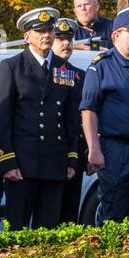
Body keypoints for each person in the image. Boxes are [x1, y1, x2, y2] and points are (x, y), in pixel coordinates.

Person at [0, 7, 80, 230]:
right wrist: (7, 161)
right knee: (17, 232)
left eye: (49, 30)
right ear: (26, 36)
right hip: (22, 164)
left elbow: (71, 119)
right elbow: (1, 118)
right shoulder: (12, 67)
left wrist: (71, 158)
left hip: (54, 162)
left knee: (49, 231)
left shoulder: (66, 70)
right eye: (39, 30)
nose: (46, 35)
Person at [80, 4, 129, 224]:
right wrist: (94, 149)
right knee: (114, 210)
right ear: (116, 35)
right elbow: (89, 110)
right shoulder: (101, 66)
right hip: (116, 151)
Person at [51, 17, 86, 223]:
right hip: (49, 153)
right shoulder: (41, 73)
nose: (66, 43)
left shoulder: (78, 75)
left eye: (69, 39)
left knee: (70, 214)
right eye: (60, 38)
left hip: (75, 152)